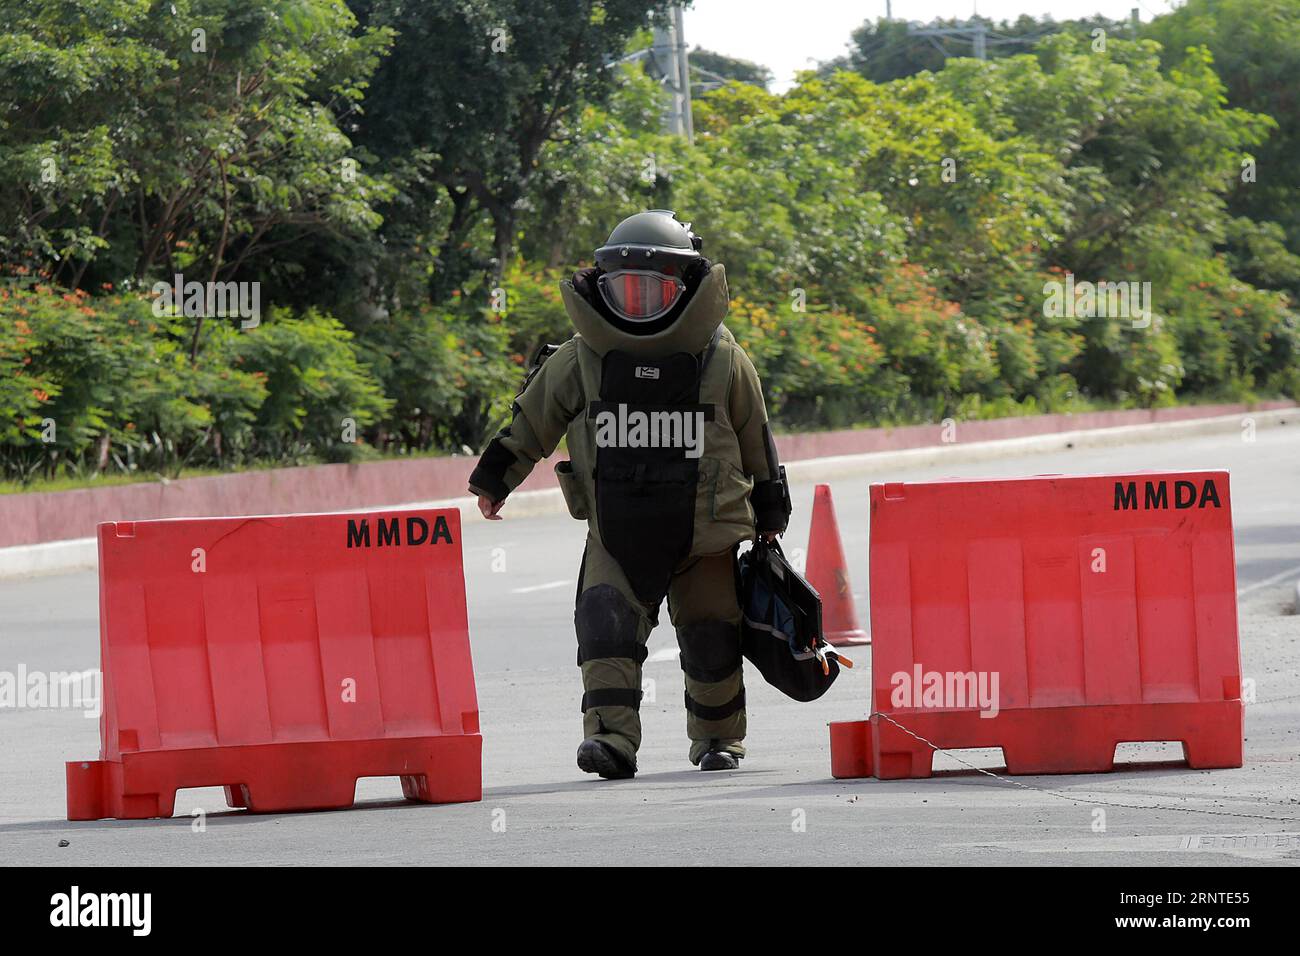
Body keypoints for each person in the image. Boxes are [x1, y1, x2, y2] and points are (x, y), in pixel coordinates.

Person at [468, 210, 790, 779]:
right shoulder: (582, 356)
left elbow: (755, 436)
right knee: (604, 624)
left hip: (706, 533)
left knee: (712, 636)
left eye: (654, 290)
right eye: (626, 289)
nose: (639, 302)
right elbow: (533, 419)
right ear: (603, 286)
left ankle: (719, 741)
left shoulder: (722, 358)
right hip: (616, 529)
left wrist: (771, 508)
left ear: (686, 287)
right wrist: (495, 479)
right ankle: (611, 740)